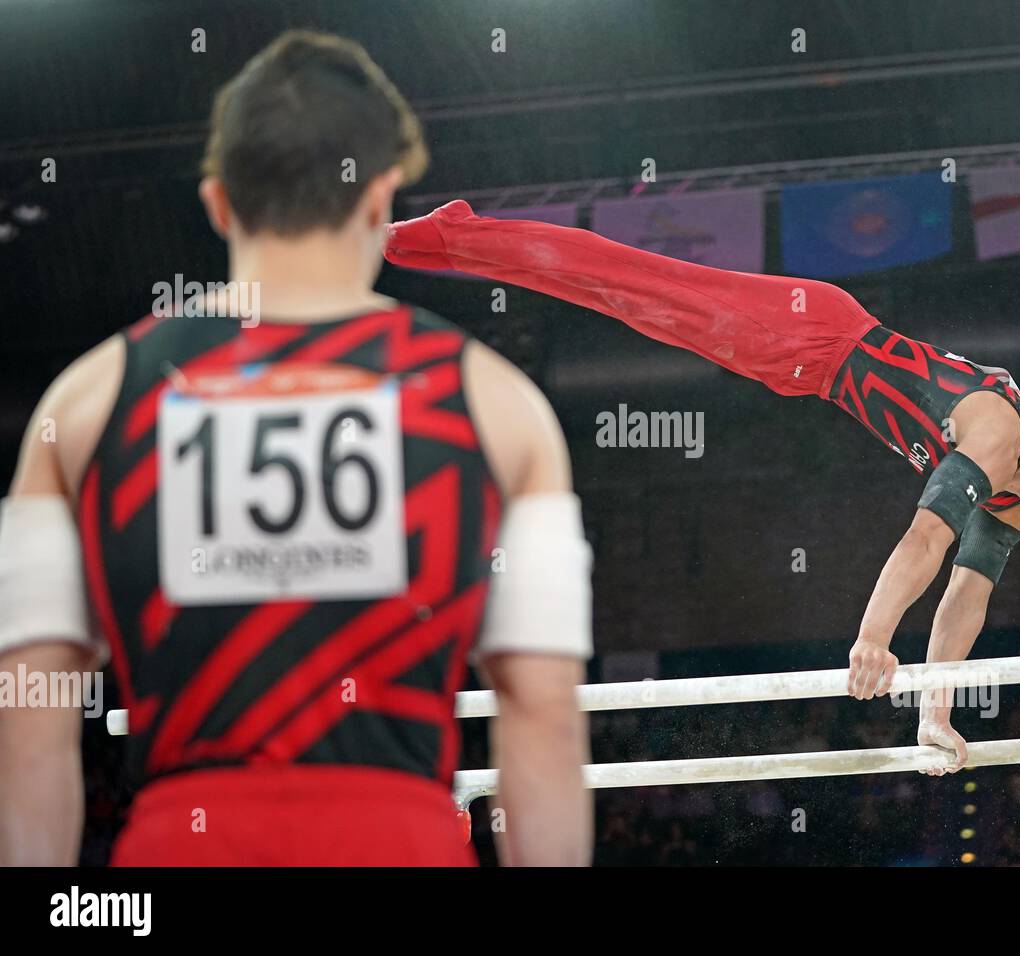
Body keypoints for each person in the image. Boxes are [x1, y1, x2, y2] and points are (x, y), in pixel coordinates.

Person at [0, 31, 592, 866]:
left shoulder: (87, 403)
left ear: (216, 203)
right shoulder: (499, 408)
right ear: (383, 199)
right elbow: (543, 712)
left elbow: (30, 712)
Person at [385, 200, 1020, 773]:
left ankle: (460, 241)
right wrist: (872, 639)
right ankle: (450, 235)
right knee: (627, 280)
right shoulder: (1000, 437)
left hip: (804, 368)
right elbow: (925, 538)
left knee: (620, 294)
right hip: (810, 335)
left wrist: (934, 714)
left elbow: (965, 599)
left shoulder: (1013, 500)